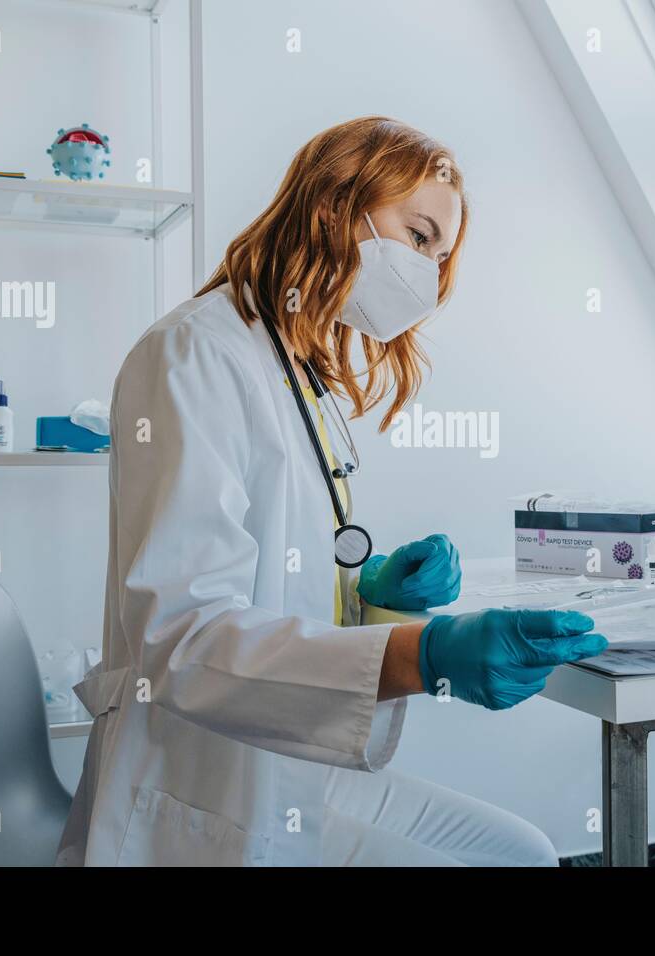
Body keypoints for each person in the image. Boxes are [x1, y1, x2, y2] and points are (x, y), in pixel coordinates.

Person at [56, 117, 606, 867]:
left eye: (441, 257)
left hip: (288, 758)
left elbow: (279, 581)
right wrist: (425, 654)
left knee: (529, 853)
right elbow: (179, 641)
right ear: (334, 206)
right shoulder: (194, 355)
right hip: (202, 781)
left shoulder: (297, 369)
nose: (430, 275)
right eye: (418, 238)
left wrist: (376, 598)